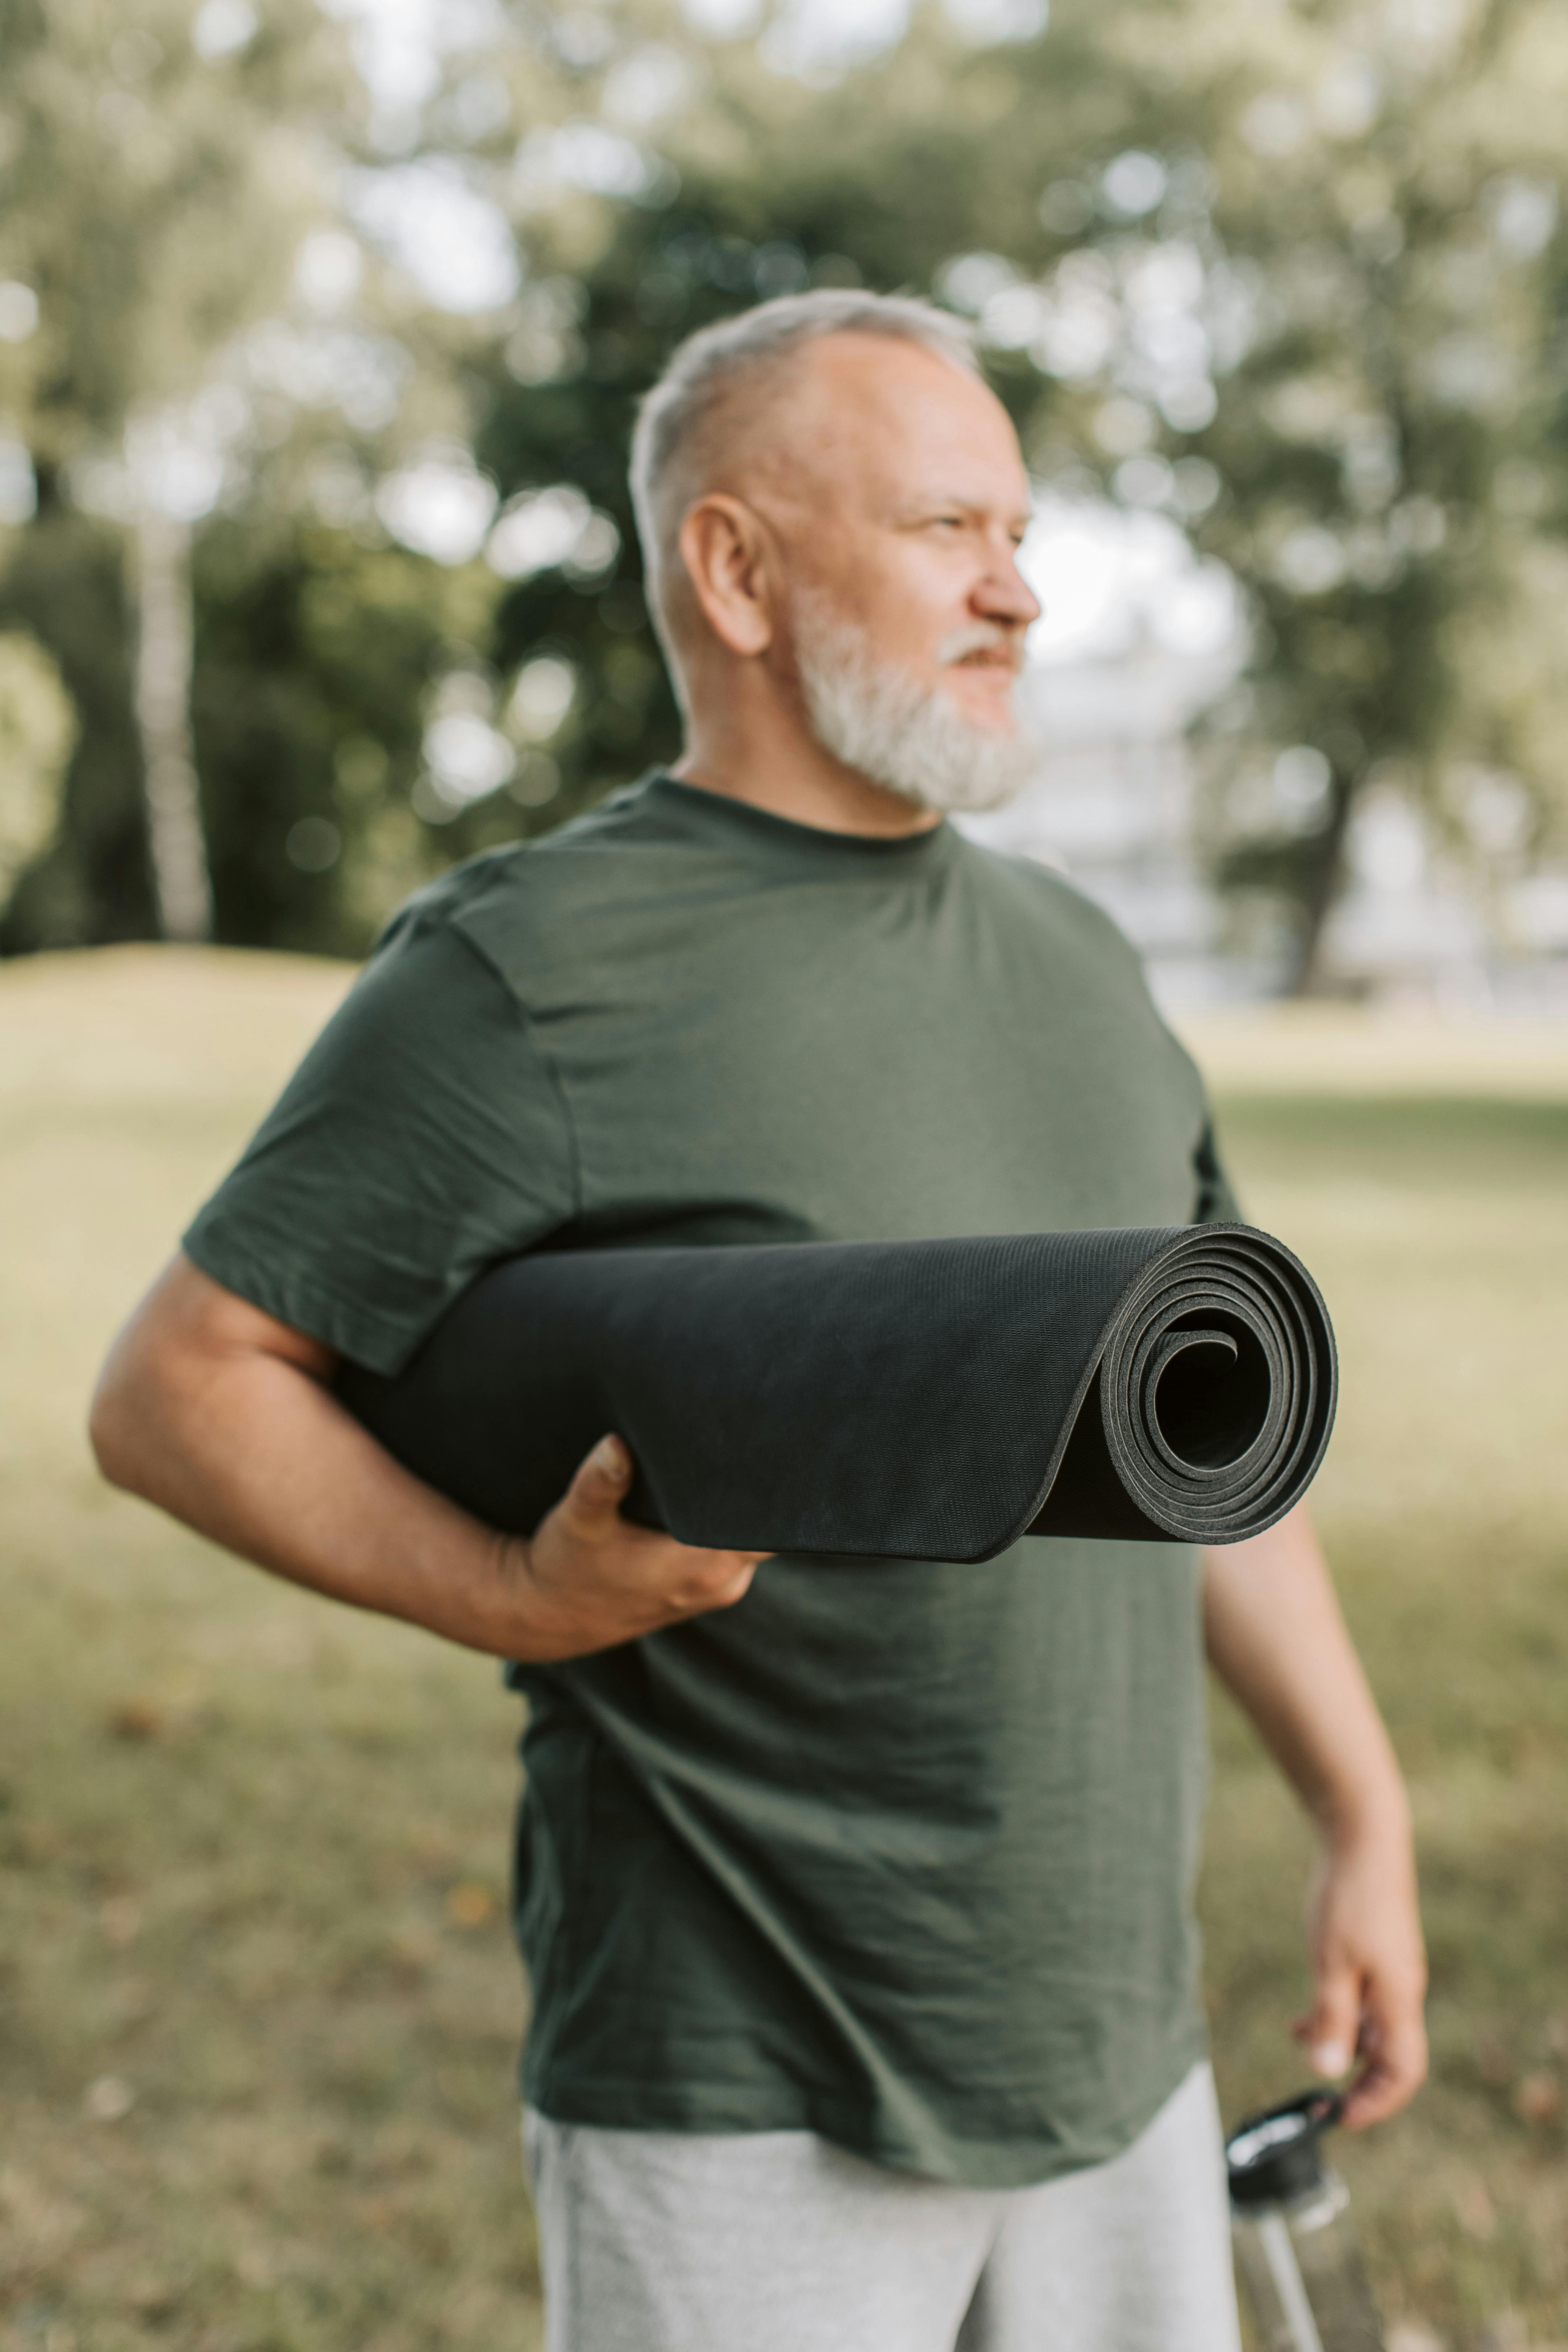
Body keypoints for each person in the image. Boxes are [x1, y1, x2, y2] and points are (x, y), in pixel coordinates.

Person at [90, 290, 1427, 2352]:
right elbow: (177, 1389)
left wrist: (1360, 1815)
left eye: (1020, 528)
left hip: (1110, 2056)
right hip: (737, 2090)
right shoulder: (528, 967)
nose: (1020, 591)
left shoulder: (1079, 962)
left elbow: (1204, 1454)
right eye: (945, 530)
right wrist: (500, 1592)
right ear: (735, 568)